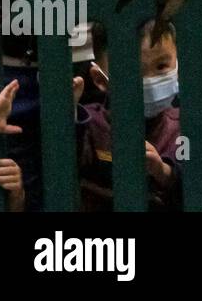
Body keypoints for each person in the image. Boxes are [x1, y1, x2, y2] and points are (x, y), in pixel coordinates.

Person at [78, 20, 183, 211]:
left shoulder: (185, 125)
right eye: (134, 71)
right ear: (100, 79)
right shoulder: (90, 123)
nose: (149, 81)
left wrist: (163, 172)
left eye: (161, 66)